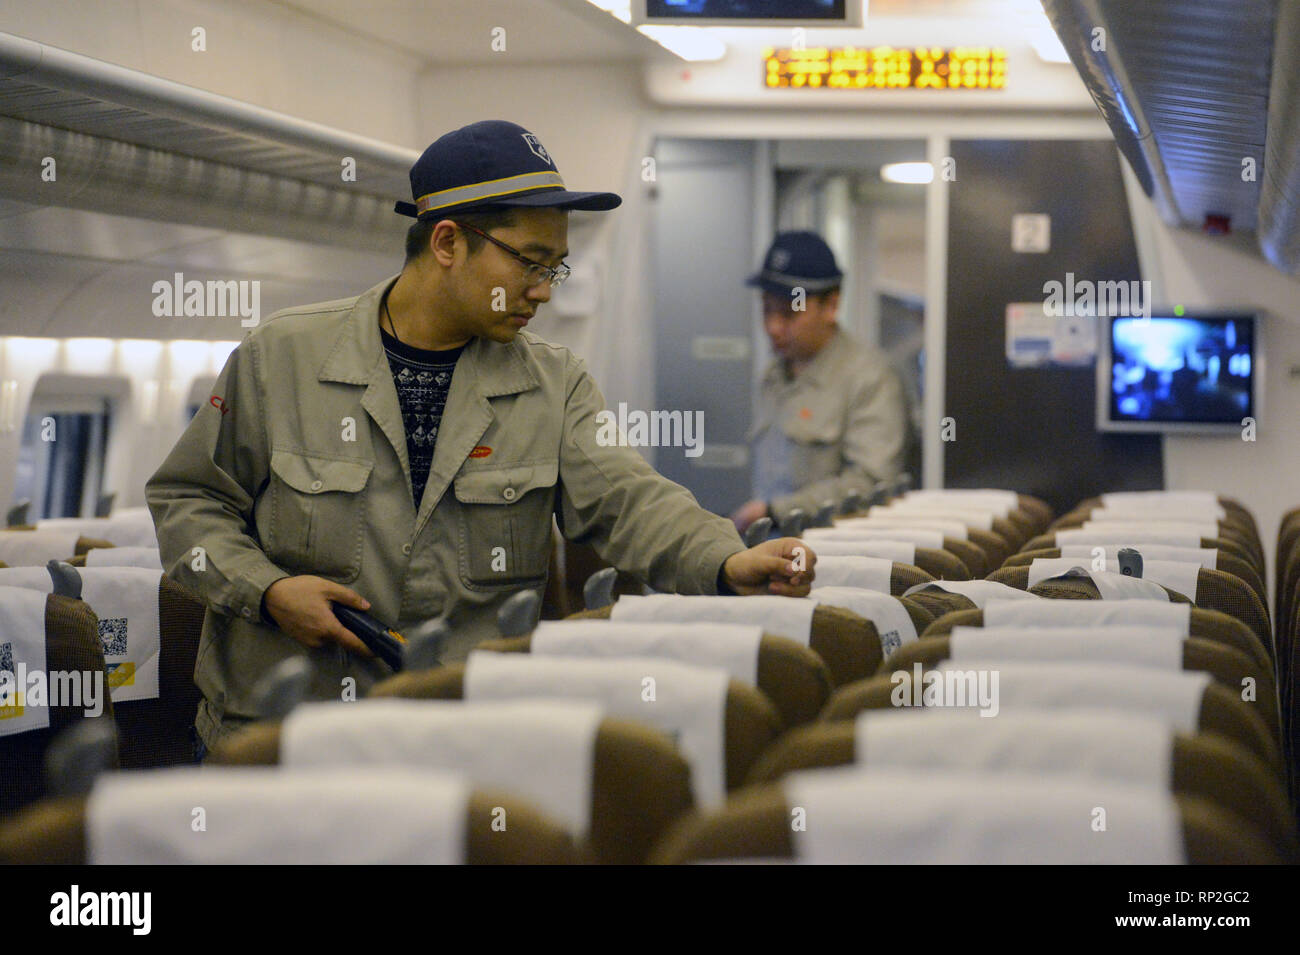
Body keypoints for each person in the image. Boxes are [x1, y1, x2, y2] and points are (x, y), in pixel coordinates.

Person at [146, 120, 814, 752]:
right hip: (282, 738)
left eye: (555, 268)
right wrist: (266, 589)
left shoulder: (553, 384)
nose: (544, 291)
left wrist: (724, 560)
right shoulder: (282, 356)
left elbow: (630, 499)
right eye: (531, 261)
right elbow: (188, 501)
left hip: (460, 737)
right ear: (446, 243)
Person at [731, 231, 906, 533]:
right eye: (767, 309)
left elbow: (872, 482)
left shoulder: (869, 377)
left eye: (788, 313)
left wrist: (775, 511)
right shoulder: (774, 376)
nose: (773, 327)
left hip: (833, 562)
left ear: (831, 306)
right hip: (772, 554)